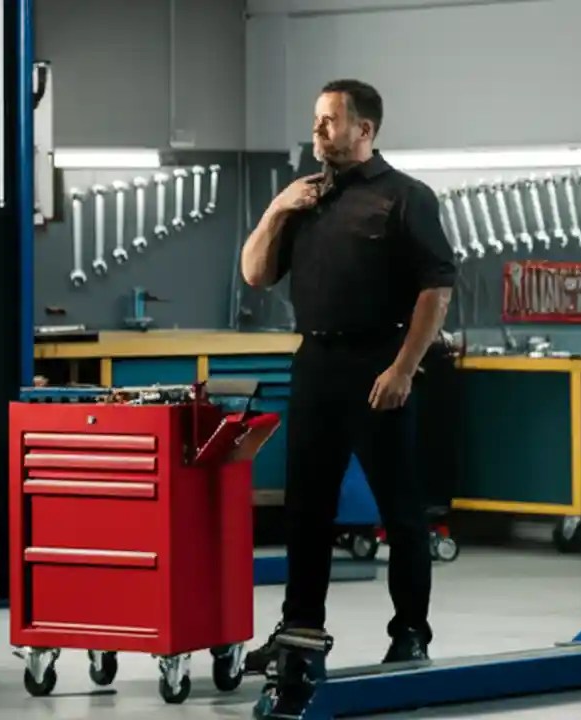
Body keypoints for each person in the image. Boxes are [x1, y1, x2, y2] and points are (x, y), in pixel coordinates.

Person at [240, 78, 456, 666]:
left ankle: (410, 635)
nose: (317, 131)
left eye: (329, 121)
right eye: (315, 120)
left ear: (364, 129)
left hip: (380, 364)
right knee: (306, 510)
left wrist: (403, 369)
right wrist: (276, 208)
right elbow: (256, 274)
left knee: (400, 511)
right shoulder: (306, 198)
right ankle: (299, 631)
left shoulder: (407, 197)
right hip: (316, 363)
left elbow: (436, 289)